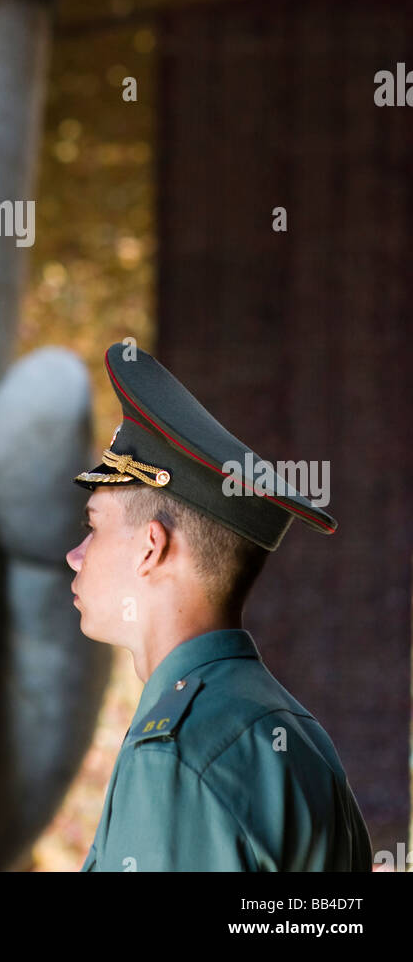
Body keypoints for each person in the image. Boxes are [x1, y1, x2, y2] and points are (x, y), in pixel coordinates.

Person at [69, 342, 372, 873]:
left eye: (92, 527)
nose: (75, 557)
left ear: (150, 547)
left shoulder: (176, 755)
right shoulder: (288, 727)